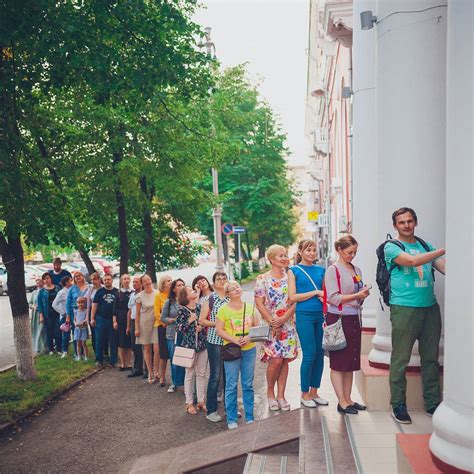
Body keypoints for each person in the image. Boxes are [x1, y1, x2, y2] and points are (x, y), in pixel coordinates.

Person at [385, 207, 446, 424]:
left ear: (415, 222)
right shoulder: (391, 247)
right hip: (404, 308)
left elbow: (444, 268)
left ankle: (432, 403)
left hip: (430, 308)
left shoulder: (424, 245)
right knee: (400, 358)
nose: (406, 225)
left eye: (410, 221)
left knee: (431, 358)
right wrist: (443, 249)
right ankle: (398, 405)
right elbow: (412, 262)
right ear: (395, 226)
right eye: (401, 222)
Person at [325, 235, 370, 415]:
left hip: (354, 318)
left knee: (351, 361)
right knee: (339, 361)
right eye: (350, 252)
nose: (353, 255)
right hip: (338, 318)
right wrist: (356, 296)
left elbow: (356, 295)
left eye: (355, 252)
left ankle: (349, 399)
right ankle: (341, 402)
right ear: (340, 250)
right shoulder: (332, 270)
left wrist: (362, 295)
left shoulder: (356, 269)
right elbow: (333, 298)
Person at [255, 245, 297, 412]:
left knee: (285, 360)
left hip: (288, 324)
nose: (284, 258)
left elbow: (294, 301)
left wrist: (284, 318)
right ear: (271, 259)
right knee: (275, 361)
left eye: (285, 255)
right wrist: (274, 322)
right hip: (270, 325)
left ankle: (281, 395)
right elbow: (259, 303)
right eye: (280, 255)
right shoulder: (262, 278)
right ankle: (270, 393)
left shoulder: (290, 277)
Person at [288, 239, 328, 408]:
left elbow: (326, 293)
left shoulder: (321, 270)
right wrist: (315, 292)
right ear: (300, 251)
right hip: (304, 315)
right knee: (309, 354)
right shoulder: (294, 271)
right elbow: (292, 297)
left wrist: (322, 294)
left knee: (320, 354)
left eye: (314, 250)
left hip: (320, 316)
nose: (312, 253)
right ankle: (304, 393)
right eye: (308, 250)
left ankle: (314, 392)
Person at [216, 281, 258, 429]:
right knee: (232, 385)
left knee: (247, 384)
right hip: (231, 350)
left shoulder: (249, 307)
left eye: (237, 287)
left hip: (249, 349)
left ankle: (250, 417)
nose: (236, 290)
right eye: (232, 289)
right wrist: (235, 340)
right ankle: (232, 419)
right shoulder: (223, 310)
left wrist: (248, 337)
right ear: (227, 294)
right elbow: (219, 330)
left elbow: (256, 327)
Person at [199, 272, 229, 423]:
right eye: (219, 279)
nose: (222, 281)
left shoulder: (231, 297)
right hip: (215, 341)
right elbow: (202, 320)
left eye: (224, 278)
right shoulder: (210, 299)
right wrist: (218, 325)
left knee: (229, 376)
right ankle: (211, 410)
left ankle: (230, 409)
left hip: (230, 342)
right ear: (214, 283)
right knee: (216, 376)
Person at [176, 286, 208, 415]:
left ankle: (201, 400)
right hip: (189, 346)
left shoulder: (200, 308)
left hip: (202, 344)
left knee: (201, 373)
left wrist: (201, 327)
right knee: (189, 374)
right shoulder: (182, 310)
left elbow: (205, 323)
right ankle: (189, 403)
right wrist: (189, 321)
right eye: (191, 291)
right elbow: (178, 328)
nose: (194, 291)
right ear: (185, 296)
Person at [161, 278, 186, 392]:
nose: (181, 286)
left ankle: (186, 382)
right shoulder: (169, 302)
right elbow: (163, 318)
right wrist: (173, 320)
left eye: (183, 284)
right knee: (174, 358)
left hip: (185, 333)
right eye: (179, 285)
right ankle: (174, 383)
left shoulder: (186, 300)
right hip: (172, 334)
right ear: (174, 289)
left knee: (186, 358)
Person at [91, 274, 119, 368]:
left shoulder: (116, 292)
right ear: (103, 281)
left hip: (112, 319)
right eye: (105, 280)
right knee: (99, 339)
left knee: (113, 340)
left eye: (109, 279)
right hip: (101, 318)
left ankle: (113, 360)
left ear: (112, 280)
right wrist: (92, 318)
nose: (107, 281)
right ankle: (99, 360)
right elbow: (94, 305)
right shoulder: (99, 292)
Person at [135, 274, 158, 383]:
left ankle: (157, 371)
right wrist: (136, 328)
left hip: (156, 323)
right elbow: (137, 314)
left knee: (157, 349)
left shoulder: (157, 293)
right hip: (144, 324)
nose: (148, 282)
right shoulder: (139, 296)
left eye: (148, 279)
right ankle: (150, 372)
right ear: (142, 283)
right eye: (145, 281)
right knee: (147, 349)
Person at [66, 272, 90, 358]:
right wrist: (68, 316)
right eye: (76, 277)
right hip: (75, 313)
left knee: (85, 333)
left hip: (87, 312)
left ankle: (86, 354)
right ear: (74, 279)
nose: (78, 277)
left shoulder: (88, 287)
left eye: (79, 276)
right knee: (76, 333)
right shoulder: (72, 289)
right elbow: (68, 303)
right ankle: (78, 354)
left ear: (83, 277)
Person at [153, 275, 172, 386]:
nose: (170, 282)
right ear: (163, 283)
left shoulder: (174, 295)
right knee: (163, 354)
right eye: (168, 281)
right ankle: (162, 377)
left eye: (171, 280)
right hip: (162, 326)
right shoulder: (158, 296)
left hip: (173, 326)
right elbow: (156, 313)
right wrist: (164, 322)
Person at [37, 272, 61, 354]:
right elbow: (39, 305)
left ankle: (59, 349)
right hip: (47, 314)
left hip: (57, 313)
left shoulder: (57, 288)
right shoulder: (41, 291)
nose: (46, 280)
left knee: (58, 331)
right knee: (49, 332)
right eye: (44, 279)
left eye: (47, 278)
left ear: (51, 278)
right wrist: (41, 316)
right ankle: (51, 349)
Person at [113, 274, 133, 371]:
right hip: (120, 320)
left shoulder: (133, 293)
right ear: (121, 281)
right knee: (121, 342)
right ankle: (122, 363)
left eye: (128, 278)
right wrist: (114, 321)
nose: (126, 280)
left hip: (131, 319)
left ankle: (129, 363)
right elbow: (114, 309)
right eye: (124, 279)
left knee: (129, 343)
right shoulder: (118, 294)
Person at [127, 275, 144, 378]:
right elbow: (129, 311)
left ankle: (147, 369)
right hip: (133, 321)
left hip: (143, 321)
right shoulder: (132, 295)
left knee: (146, 346)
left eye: (137, 282)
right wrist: (128, 326)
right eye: (133, 282)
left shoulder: (144, 294)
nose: (134, 284)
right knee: (134, 346)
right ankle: (137, 368)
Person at [52, 275, 73, 358]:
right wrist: (63, 312)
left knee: (76, 332)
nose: (72, 282)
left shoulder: (73, 290)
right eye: (70, 280)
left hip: (74, 314)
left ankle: (78, 351)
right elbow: (54, 304)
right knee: (65, 334)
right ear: (66, 282)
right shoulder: (61, 292)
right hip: (65, 316)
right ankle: (65, 351)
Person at [30, 278, 47, 354]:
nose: (39, 284)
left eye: (40, 282)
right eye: (37, 283)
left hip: (42, 313)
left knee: (42, 331)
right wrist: (33, 307)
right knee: (36, 331)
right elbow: (29, 303)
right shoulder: (34, 292)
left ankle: (44, 347)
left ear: (43, 283)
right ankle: (37, 347)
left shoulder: (45, 291)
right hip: (35, 314)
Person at [87, 272, 102, 356]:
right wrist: (87, 317)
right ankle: (96, 352)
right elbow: (88, 303)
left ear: (99, 279)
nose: (93, 281)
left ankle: (104, 352)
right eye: (92, 279)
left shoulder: (103, 288)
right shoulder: (91, 289)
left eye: (95, 279)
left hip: (102, 312)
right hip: (92, 313)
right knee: (94, 334)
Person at [73, 296, 89, 361]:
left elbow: (86, 320)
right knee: (78, 343)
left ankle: (86, 357)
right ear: (77, 303)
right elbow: (74, 319)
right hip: (77, 329)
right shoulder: (75, 311)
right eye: (79, 302)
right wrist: (75, 323)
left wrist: (83, 322)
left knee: (83, 343)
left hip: (83, 329)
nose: (80, 304)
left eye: (82, 302)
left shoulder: (86, 311)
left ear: (84, 303)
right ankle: (79, 356)